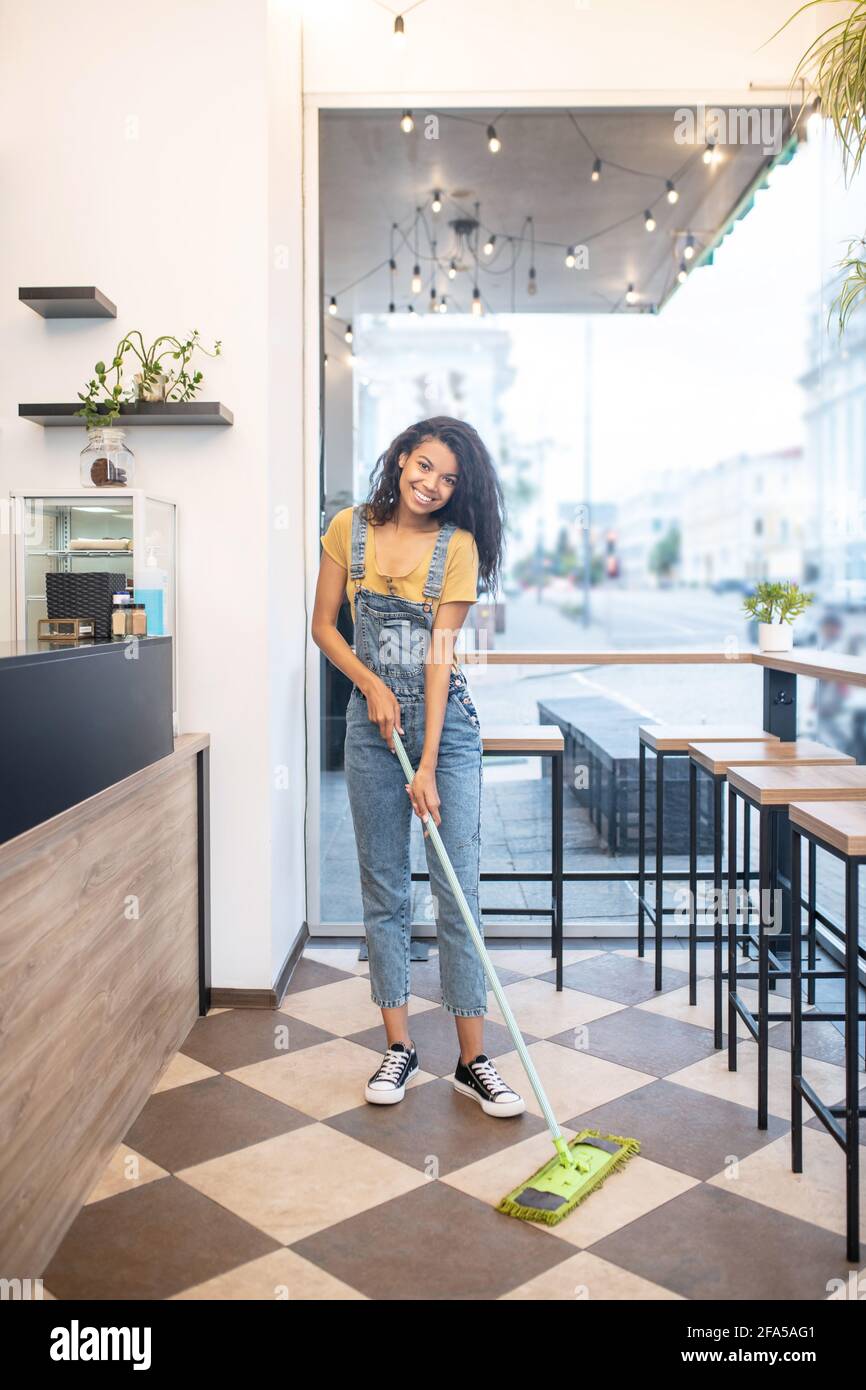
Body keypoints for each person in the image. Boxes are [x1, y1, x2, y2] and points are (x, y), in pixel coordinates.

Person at [312, 416, 525, 1117]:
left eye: (449, 480)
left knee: (457, 889)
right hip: (370, 732)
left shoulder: (457, 548)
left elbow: (439, 657)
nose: (432, 485)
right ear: (402, 457)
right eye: (425, 466)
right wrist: (370, 686)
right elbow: (322, 627)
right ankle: (398, 1046)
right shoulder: (350, 528)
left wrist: (429, 762)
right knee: (384, 891)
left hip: (446, 732)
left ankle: (473, 1060)